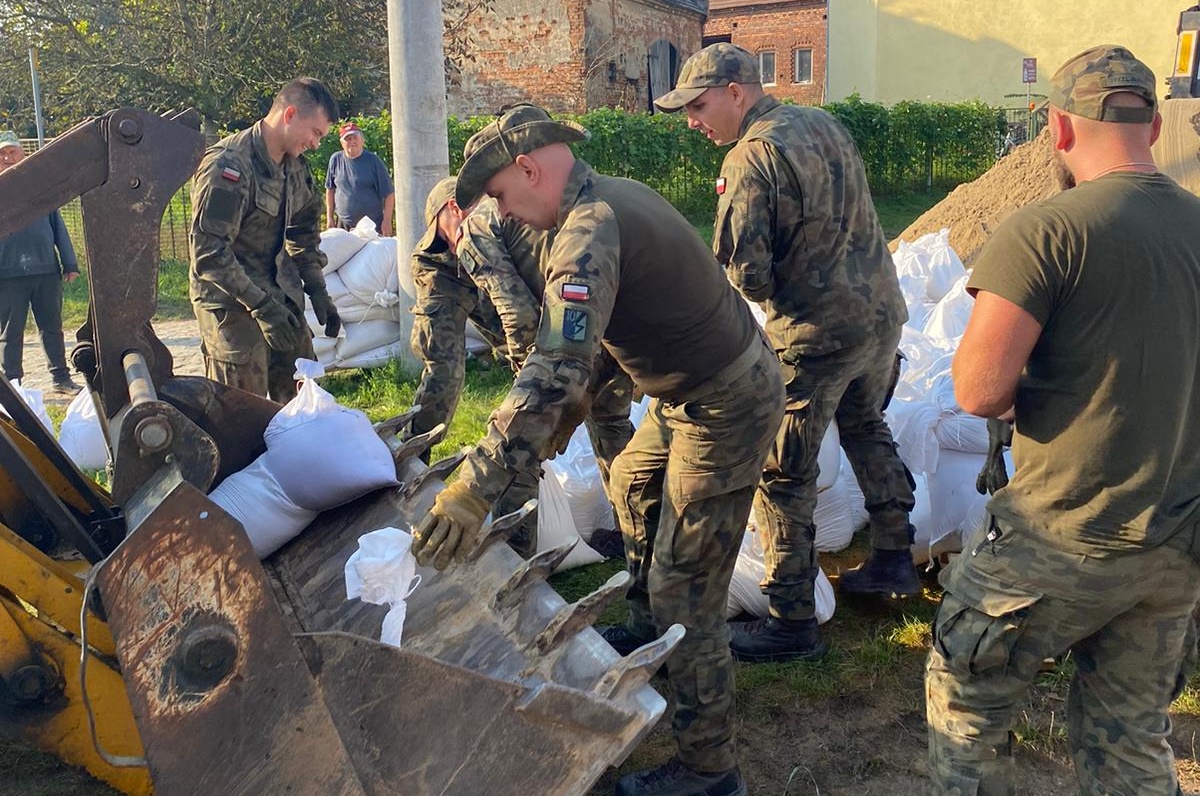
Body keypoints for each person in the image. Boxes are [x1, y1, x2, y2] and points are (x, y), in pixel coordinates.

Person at [410, 103, 784, 796]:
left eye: (499, 195)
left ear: (527, 168)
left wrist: (474, 487)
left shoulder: (588, 231)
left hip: (726, 403)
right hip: (688, 393)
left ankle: (709, 770)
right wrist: (551, 428)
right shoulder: (600, 202)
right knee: (635, 485)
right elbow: (602, 347)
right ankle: (651, 636)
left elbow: (555, 365)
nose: (506, 212)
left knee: (689, 588)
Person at [926, 45, 1200, 794]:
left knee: (966, 702)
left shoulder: (1045, 230)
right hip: (1174, 541)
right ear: (1149, 118)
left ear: (1060, 126)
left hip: (1064, 538)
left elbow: (980, 390)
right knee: (1131, 738)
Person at [654, 43, 916, 663]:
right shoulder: (821, 120)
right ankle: (893, 559)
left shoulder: (751, 156)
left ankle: (792, 619)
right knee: (866, 427)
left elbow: (748, 275)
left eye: (698, 104)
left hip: (815, 333)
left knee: (782, 469)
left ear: (736, 92)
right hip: (880, 314)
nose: (693, 120)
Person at [189, 77, 341, 404]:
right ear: (289, 115)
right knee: (243, 413)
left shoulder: (295, 167)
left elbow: (303, 233)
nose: (317, 144)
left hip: (276, 292)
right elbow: (209, 253)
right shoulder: (229, 167)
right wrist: (261, 307)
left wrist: (317, 290)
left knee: (304, 396)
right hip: (229, 302)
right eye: (315, 133)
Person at [0, 131, 82, 393]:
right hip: (8, 274)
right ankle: (13, 384)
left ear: (23, 154)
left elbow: (58, 225)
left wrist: (69, 263)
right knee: (10, 333)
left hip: (46, 270)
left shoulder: (38, 188)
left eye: (12, 151)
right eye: (2, 154)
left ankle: (60, 378)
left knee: (52, 326)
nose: (7, 157)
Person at [324, 122, 395, 235]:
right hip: (343, 225)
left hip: (372, 225)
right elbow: (330, 190)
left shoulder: (374, 161)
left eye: (355, 137)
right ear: (342, 143)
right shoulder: (335, 160)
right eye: (348, 139)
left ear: (362, 140)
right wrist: (330, 218)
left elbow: (389, 194)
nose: (352, 142)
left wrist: (387, 221)